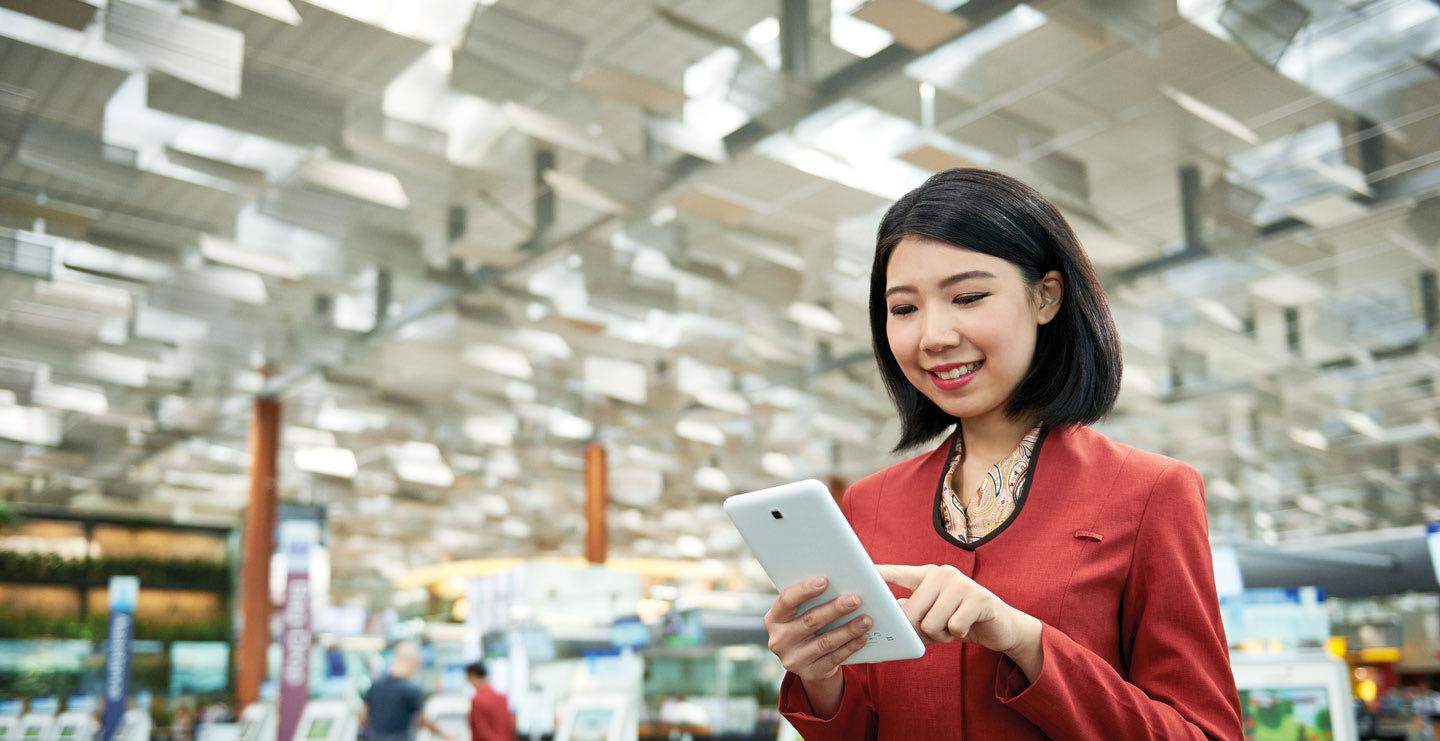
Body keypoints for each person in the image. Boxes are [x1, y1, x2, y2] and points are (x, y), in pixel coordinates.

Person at [764, 168, 1243, 739]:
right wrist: (821, 676)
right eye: (904, 309)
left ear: (1046, 297)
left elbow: (1203, 733)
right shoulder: (871, 503)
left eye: (967, 297)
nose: (933, 336)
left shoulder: (1149, 492)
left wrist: (1022, 638)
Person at [360, 642, 452, 741]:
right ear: (413, 661)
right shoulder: (411, 690)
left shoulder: (375, 686)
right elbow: (422, 721)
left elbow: (362, 716)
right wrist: (446, 736)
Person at [464, 662, 515, 741]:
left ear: (472, 676)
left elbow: (481, 732)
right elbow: (511, 725)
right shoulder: (503, 698)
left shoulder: (477, 700)